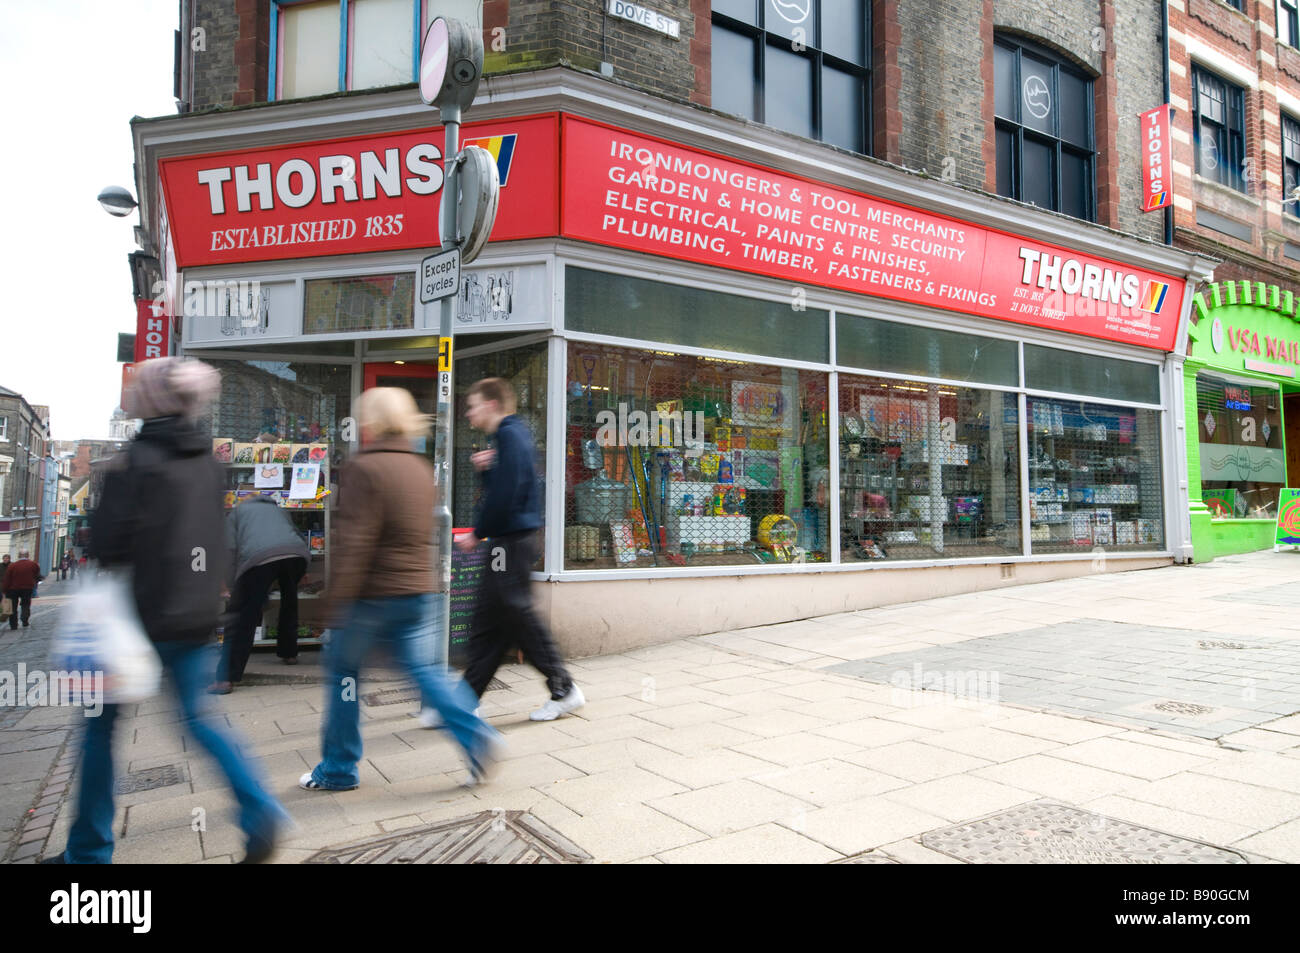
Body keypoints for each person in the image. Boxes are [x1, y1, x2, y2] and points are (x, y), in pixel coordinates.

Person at [47, 357, 288, 864]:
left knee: (97, 729)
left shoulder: (137, 461)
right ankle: (259, 807)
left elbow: (110, 545)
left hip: (134, 618)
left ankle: (88, 853)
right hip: (195, 613)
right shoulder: (207, 460)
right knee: (201, 719)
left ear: (153, 399)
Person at [300, 387, 500, 791]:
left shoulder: (364, 468)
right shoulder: (419, 467)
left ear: (371, 422)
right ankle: (477, 737)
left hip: (373, 595)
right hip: (417, 592)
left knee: (343, 672)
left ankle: (338, 769)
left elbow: (356, 544)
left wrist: (332, 603)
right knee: (425, 672)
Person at [457, 378, 585, 722]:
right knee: (492, 617)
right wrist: (487, 473)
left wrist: (477, 533)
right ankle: (466, 699)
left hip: (511, 541)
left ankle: (564, 687)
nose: (469, 413)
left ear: (491, 404)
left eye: (473, 405)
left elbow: (508, 493)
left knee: (515, 614)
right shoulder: (508, 436)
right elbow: (504, 488)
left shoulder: (510, 435)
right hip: (509, 539)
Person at [209, 494, 310, 693]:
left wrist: (230, 587)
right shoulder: (279, 510)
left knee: (243, 616)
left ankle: (226, 678)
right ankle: (289, 653)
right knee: (289, 601)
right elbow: (296, 535)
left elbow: (229, 549)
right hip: (296, 555)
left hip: (259, 559)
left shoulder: (237, 512)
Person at [3, 550, 42, 629]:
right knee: (25, 604)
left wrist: (4, 590)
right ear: (28, 555)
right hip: (27, 588)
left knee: (13, 607)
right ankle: (24, 620)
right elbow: (37, 575)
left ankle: (13, 625)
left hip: (13, 589)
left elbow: (7, 579)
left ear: (18, 555)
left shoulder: (12, 566)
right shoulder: (33, 564)